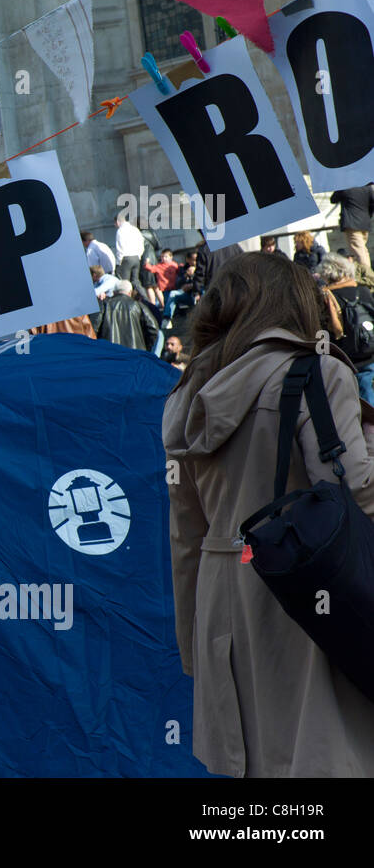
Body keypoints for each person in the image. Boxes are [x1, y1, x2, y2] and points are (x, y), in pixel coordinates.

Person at [163, 251, 374, 776]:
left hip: (223, 590)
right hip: (309, 588)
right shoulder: (315, 372)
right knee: (323, 752)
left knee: (253, 762)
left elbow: (185, 535)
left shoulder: (186, 393)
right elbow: (352, 492)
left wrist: (193, 643)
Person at [319, 253, 374, 405]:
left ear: (326, 273)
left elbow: (324, 331)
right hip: (369, 350)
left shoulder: (327, 297)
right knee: (368, 394)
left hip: (346, 356)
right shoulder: (362, 290)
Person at [96, 280, 159, 352]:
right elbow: (153, 329)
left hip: (108, 353)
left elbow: (94, 328)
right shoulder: (139, 306)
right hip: (134, 355)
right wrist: (144, 347)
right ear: (130, 292)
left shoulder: (105, 305)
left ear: (114, 292)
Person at [330, 183, 374, 271]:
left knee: (358, 251)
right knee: (363, 250)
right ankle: (366, 273)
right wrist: (367, 216)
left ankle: (367, 276)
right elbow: (372, 204)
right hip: (364, 222)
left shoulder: (344, 186)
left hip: (351, 223)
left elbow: (333, 199)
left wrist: (339, 185)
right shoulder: (367, 186)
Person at [114, 213, 147, 296]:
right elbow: (141, 243)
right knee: (136, 282)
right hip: (136, 258)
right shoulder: (135, 229)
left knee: (124, 284)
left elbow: (120, 247)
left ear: (118, 222)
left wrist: (119, 262)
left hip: (126, 258)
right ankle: (147, 300)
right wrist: (139, 256)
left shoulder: (120, 230)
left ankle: (126, 303)